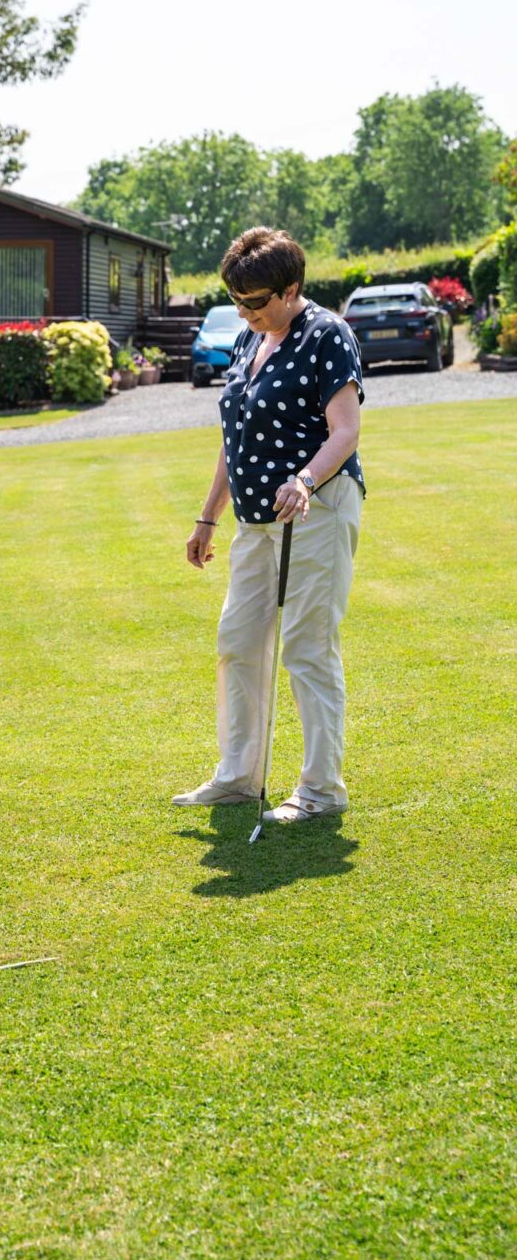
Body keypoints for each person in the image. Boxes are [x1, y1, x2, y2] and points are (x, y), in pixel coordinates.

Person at [172, 228, 365, 823]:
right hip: (254, 522)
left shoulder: (327, 335)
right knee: (238, 644)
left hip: (317, 509)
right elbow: (236, 442)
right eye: (237, 300)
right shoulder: (244, 341)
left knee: (307, 646)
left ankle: (320, 789)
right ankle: (236, 777)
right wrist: (208, 515)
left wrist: (304, 480)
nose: (245, 311)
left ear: (292, 289)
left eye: (256, 301)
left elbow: (345, 432)